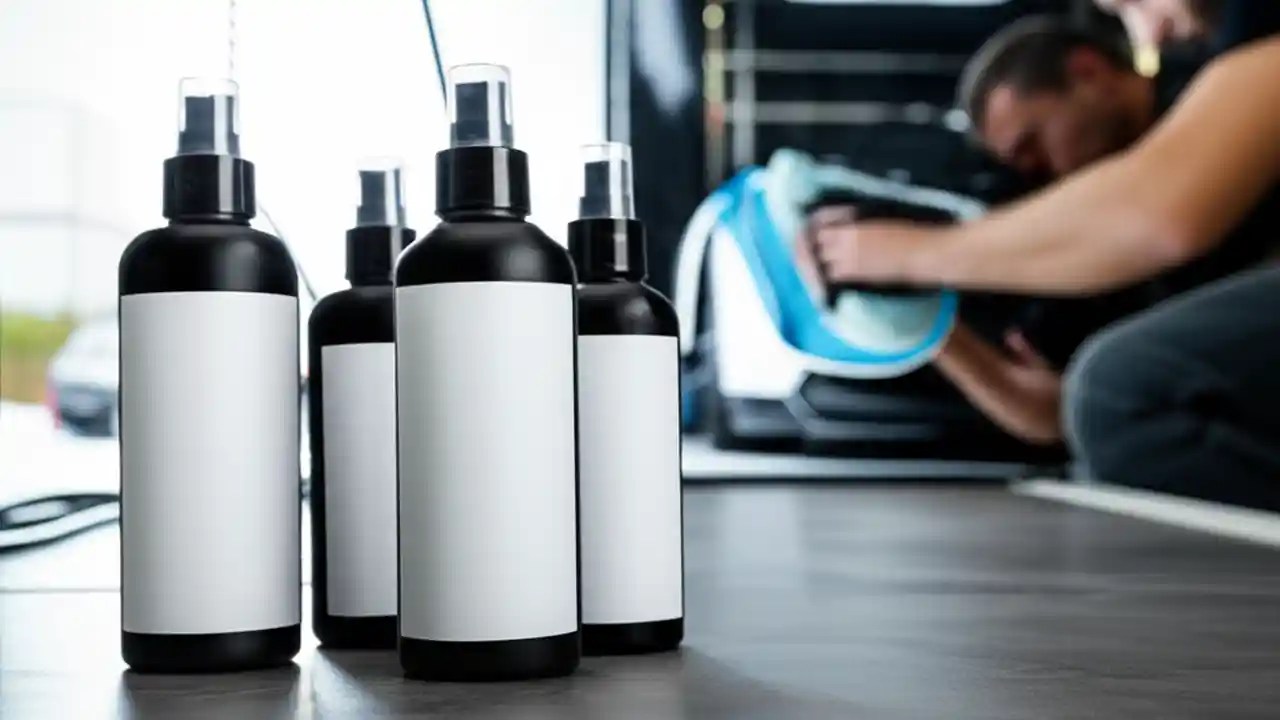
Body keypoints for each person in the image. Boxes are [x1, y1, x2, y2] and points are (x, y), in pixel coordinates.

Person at [812, 0, 1280, 509]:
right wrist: (924, 321)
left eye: (1032, 141)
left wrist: (908, 253)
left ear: (1087, 71)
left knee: (1120, 387)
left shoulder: (1219, 69)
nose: (1147, 31)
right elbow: (1056, 412)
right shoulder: (1094, 244)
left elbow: (1161, 217)